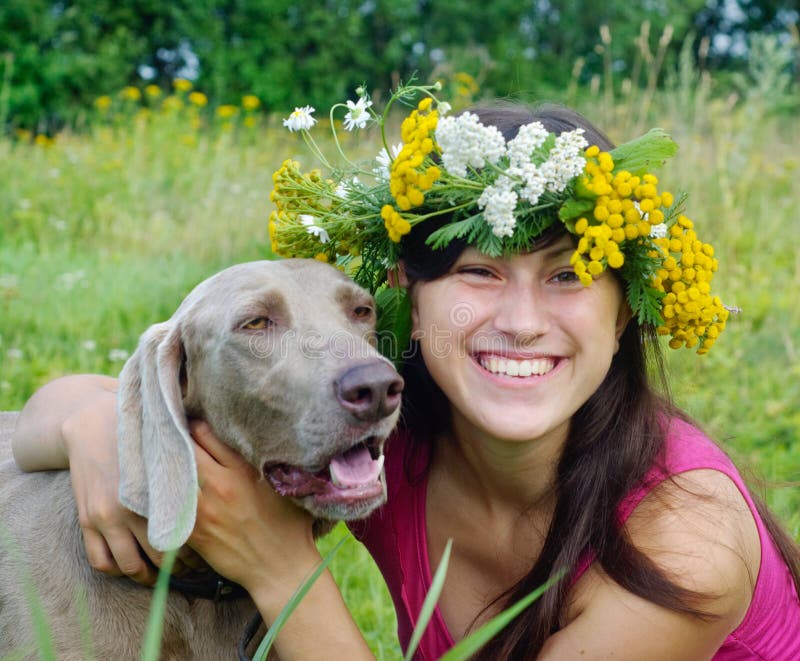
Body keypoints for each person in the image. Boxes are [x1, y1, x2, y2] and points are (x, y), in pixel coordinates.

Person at [12, 88, 800, 659]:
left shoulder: (685, 540)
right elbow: (51, 410)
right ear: (405, 296)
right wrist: (95, 423)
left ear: (625, 311)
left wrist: (282, 569)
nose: (522, 320)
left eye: (566, 276)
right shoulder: (392, 434)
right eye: (478, 271)